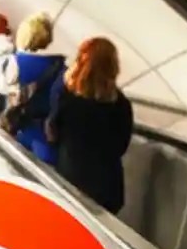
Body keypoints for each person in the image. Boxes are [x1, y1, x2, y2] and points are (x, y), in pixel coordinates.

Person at [46, 38, 132, 214]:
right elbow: (121, 146)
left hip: (70, 181)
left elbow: (52, 134)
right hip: (107, 189)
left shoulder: (67, 98)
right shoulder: (121, 104)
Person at [10, 12, 66, 164]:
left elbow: (10, 95)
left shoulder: (16, 62)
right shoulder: (60, 64)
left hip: (24, 129)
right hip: (49, 134)